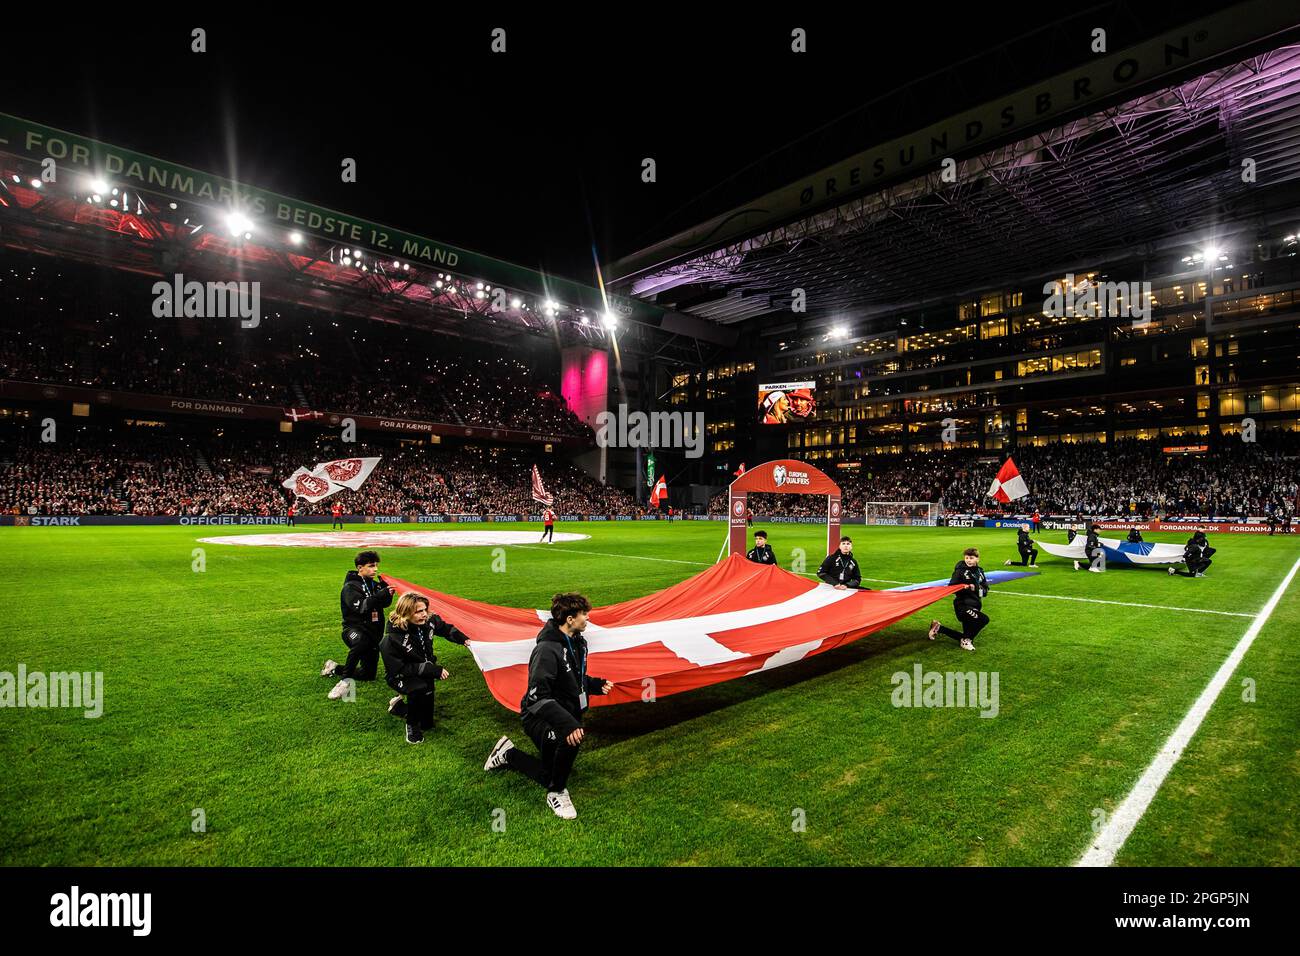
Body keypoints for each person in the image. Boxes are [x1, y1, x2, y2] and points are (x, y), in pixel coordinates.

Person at [483, 592, 612, 819]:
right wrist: (567, 723)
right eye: (584, 614)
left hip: (565, 711)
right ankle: (556, 793)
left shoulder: (579, 642)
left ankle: (508, 754)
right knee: (571, 739)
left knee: (550, 770)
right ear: (570, 619)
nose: (588, 618)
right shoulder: (546, 650)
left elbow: (574, 677)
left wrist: (594, 685)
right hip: (539, 715)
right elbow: (537, 697)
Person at [379, 593, 469, 744]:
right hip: (400, 676)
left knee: (427, 723)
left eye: (425, 609)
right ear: (405, 612)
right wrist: (432, 670)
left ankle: (398, 707)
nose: (424, 614)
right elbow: (399, 669)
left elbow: (446, 629)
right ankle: (411, 726)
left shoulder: (429, 620)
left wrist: (464, 639)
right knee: (418, 689)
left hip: (424, 672)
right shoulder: (391, 639)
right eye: (418, 611)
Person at [322, 550, 396, 697]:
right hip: (352, 630)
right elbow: (361, 607)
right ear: (359, 568)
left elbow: (384, 604)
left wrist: (387, 594)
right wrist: (378, 595)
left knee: (368, 674)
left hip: (372, 633)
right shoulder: (350, 587)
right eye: (371, 566)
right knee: (361, 643)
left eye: (376, 566)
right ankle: (344, 683)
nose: (375, 569)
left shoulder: (373, 585)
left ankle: (334, 668)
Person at [928, 547, 989, 651]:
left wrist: (976, 588)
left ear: (977, 559)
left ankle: (939, 628)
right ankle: (965, 641)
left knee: (967, 635)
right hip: (963, 605)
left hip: (976, 604)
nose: (968, 560)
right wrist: (964, 587)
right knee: (984, 619)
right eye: (967, 558)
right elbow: (952, 586)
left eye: (971, 558)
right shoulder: (960, 571)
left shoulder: (980, 571)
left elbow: (985, 590)